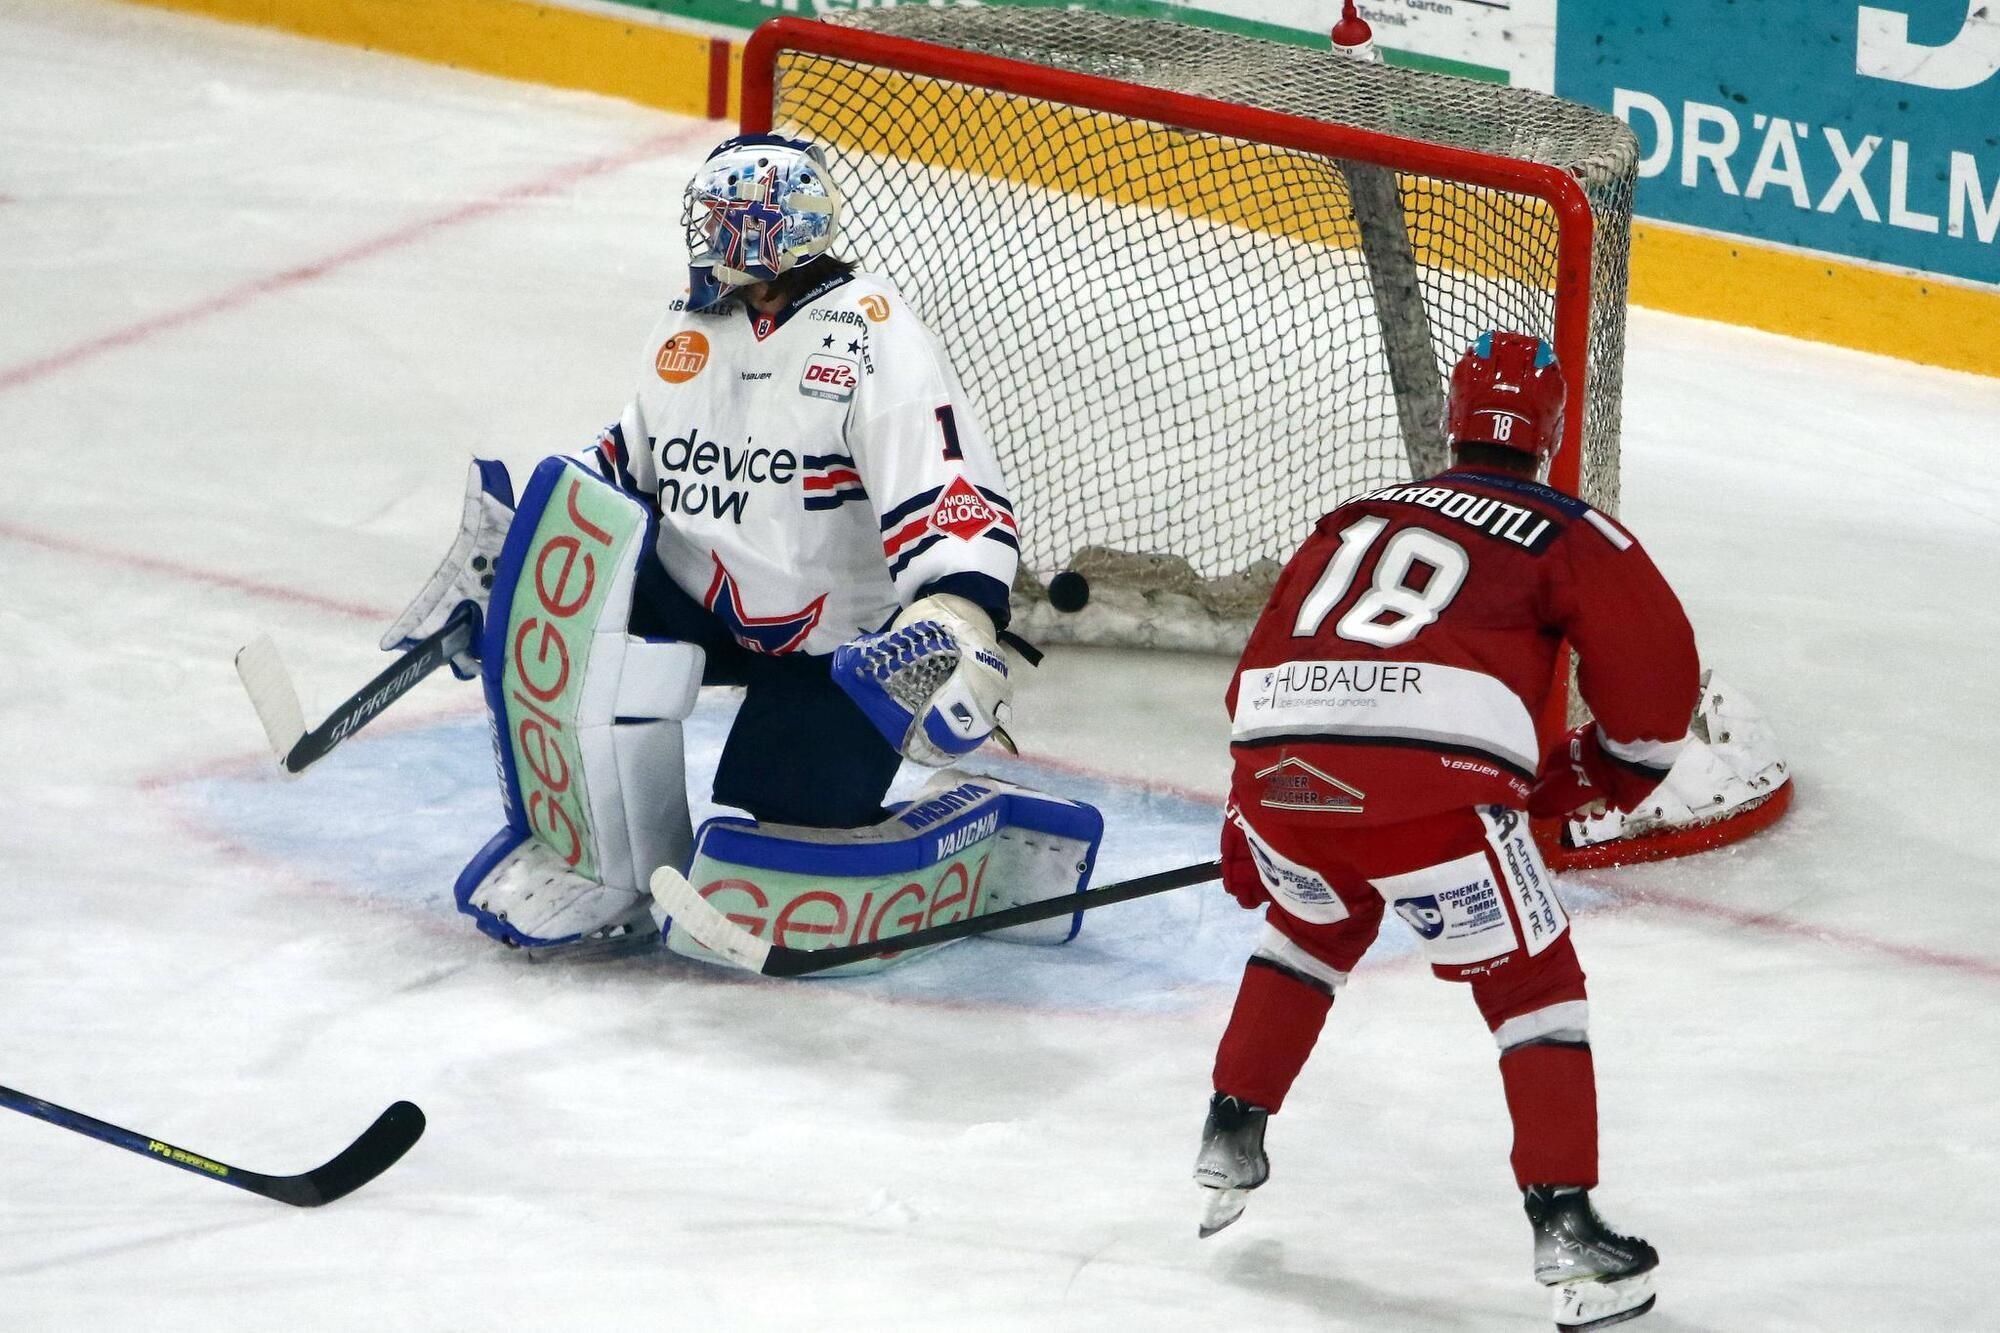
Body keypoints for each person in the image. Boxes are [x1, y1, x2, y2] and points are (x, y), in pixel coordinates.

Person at [378, 134, 1038, 954]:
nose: (706, 232)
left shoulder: (872, 333)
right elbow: (627, 457)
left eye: (725, 217)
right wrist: (520, 566)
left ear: (774, 230)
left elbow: (945, 485)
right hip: (698, 594)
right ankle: (614, 867)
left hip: (833, 637)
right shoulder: (688, 326)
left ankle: (967, 820)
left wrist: (957, 612)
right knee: (570, 637)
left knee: (794, 811)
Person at [1194, 332, 1693, 1330]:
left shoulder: (1356, 515)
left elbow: (1258, 669)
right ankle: (1567, 1230)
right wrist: (1594, 776)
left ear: (1450, 421)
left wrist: (1248, 811)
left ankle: (1229, 1132)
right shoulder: (1573, 529)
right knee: (1531, 983)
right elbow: (1656, 687)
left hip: (1280, 772)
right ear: (1552, 432)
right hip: (1433, 796)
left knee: (1312, 922)